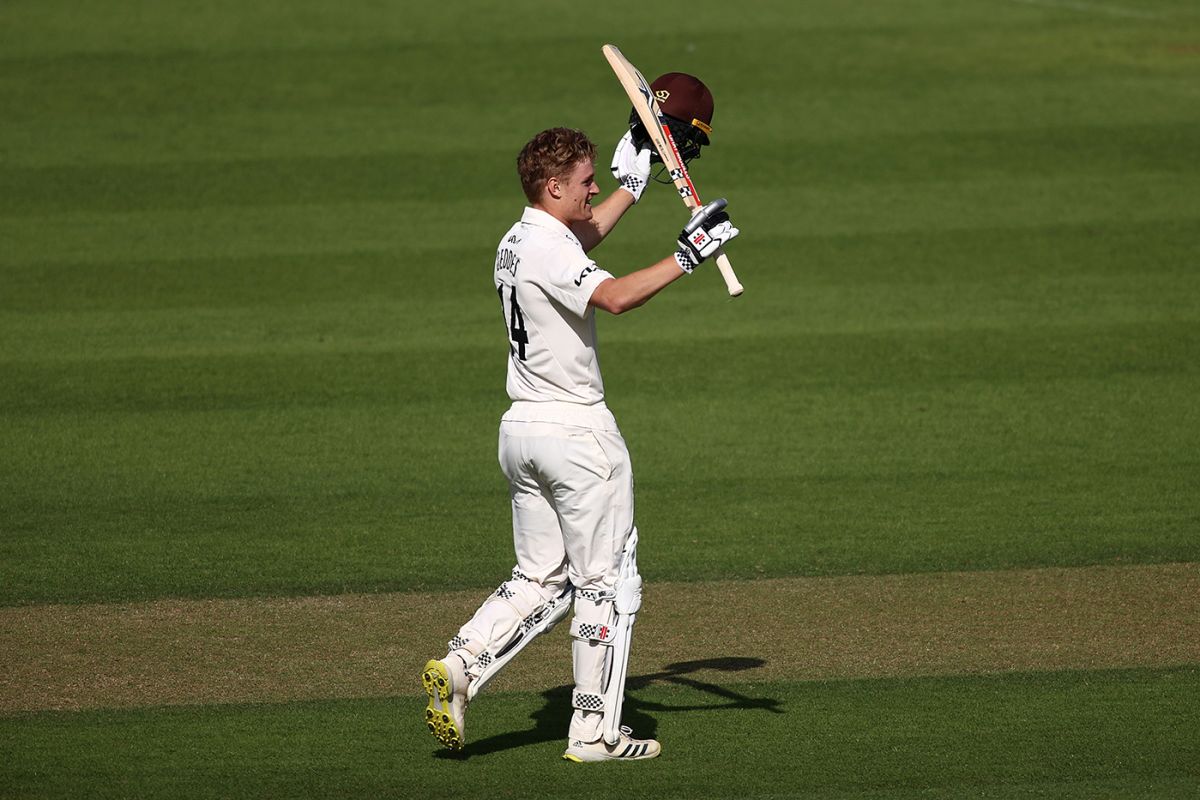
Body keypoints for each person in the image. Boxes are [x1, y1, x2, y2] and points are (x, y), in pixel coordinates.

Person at [422, 82, 738, 764]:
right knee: (609, 584)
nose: (593, 193)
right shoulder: (552, 247)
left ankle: (461, 665)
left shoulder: (520, 240)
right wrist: (689, 254)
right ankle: (593, 732)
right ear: (554, 187)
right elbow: (617, 297)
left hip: (522, 433)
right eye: (587, 184)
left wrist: (634, 182)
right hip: (577, 438)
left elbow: (583, 239)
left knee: (542, 578)